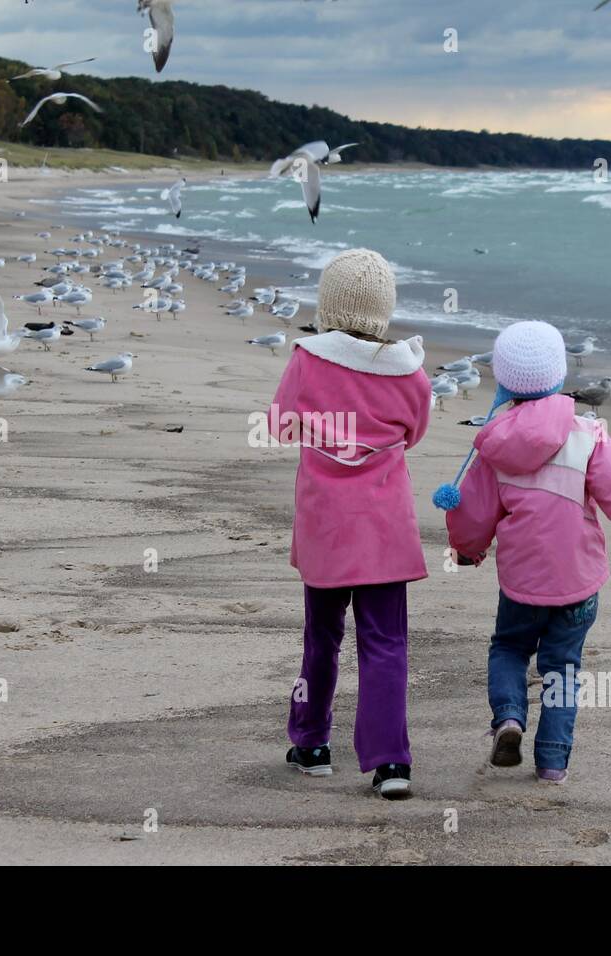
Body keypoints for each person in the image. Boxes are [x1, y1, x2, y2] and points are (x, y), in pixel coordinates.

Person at [438, 320, 611, 783]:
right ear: (560, 375)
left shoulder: (494, 444)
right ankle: (551, 762)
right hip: (578, 580)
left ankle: (508, 718)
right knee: (562, 668)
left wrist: (467, 551)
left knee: (508, 646)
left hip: (522, 582)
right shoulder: (588, 434)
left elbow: (474, 511)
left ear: (504, 381)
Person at [268, 249, 432, 798]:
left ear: (329, 304)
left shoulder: (308, 360)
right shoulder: (408, 368)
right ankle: (390, 763)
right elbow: (415, 430)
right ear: (383, 309)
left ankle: (312, 742)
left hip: (327, 528)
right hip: (384, 528)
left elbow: (281, 426)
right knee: (386, 643)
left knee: (322, 637)